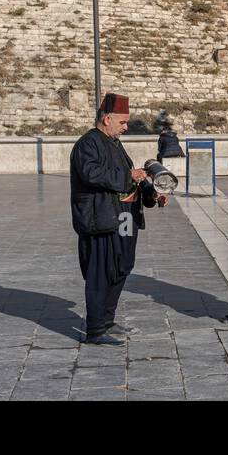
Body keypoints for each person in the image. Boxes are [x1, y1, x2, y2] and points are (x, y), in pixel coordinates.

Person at [70, 92, 148, 345]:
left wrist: (151, 194)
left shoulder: (114, 142)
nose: (126, 127)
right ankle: (94, 329)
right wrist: (129, 176)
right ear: (106, 119)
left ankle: (107, 319)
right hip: (100, 218)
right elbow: (92, 174)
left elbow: (129, 175)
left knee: (122, 266)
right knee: (101, 272)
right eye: (122, 122)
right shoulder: (87, 144)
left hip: (125, 217)